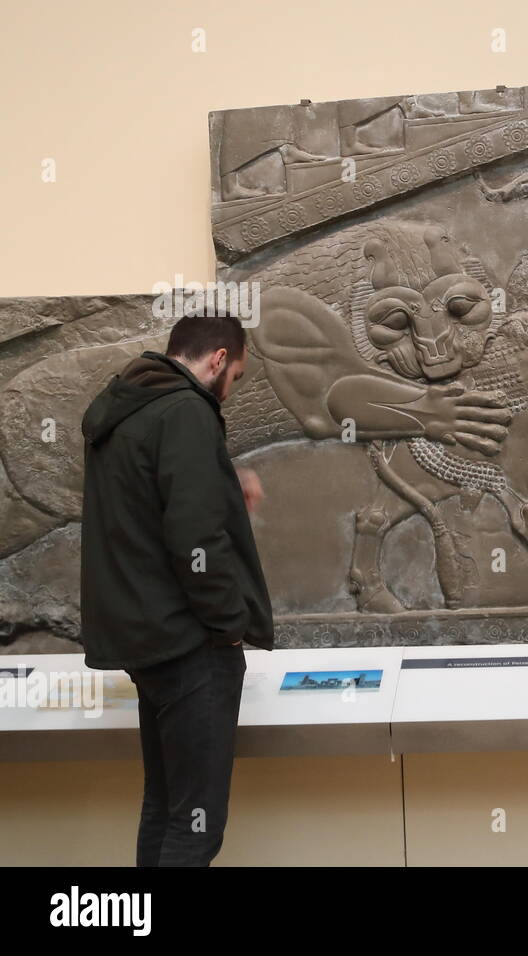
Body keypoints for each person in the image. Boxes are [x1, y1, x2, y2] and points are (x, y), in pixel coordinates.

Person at [80, 313, 273, 866]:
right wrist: (228, 626)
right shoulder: (187, 411)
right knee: (197, 828)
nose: (229, 392)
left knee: (166, 808)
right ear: (218, 360)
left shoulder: (129, 407)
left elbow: (144, 504)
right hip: (191, 646)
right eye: (234, 377)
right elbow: (195, 539)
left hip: (146, 642)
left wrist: (223, 482)